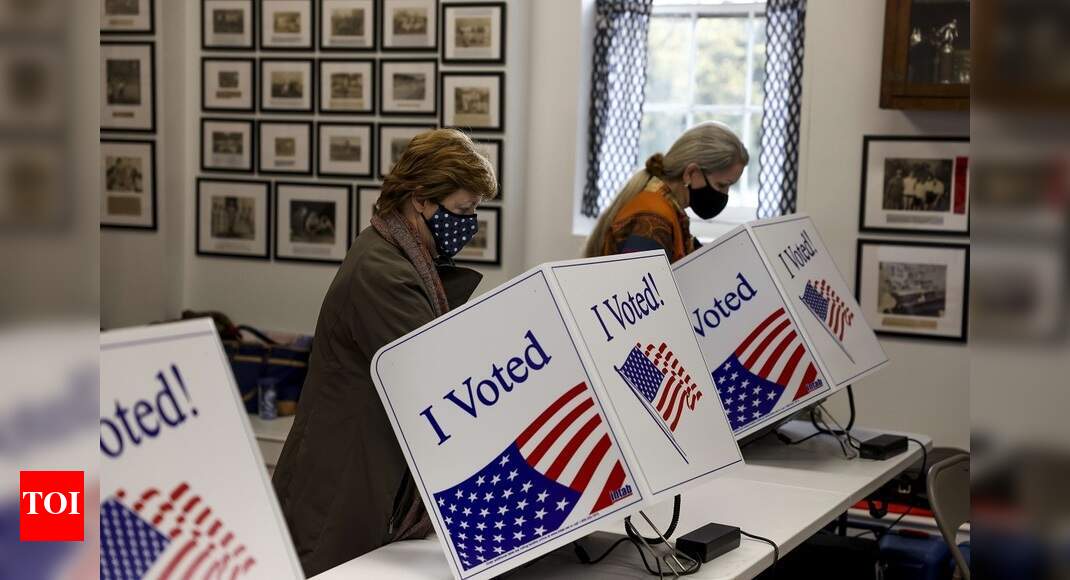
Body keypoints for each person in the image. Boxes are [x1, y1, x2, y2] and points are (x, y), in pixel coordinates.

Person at [272, 128, 498, 576]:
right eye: (462, 210)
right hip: (343, 481)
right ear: (420, 199)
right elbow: (434, 378)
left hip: (357, 469)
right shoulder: (384, 272)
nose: (468, 225)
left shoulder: (395, 250)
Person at [584, 122, 749, 263]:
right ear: (691, 173)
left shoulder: (668, 209)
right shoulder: (653, 219)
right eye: (721, 185)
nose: (724, 194)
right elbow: (641, 292)